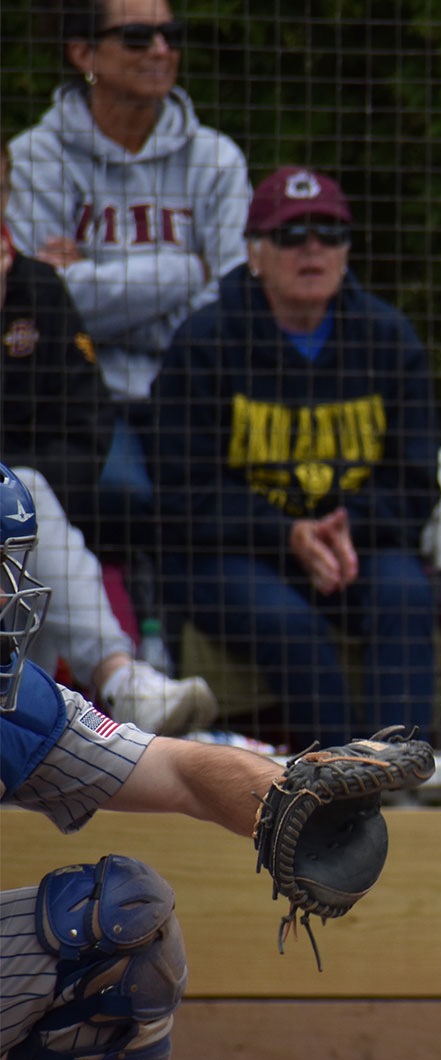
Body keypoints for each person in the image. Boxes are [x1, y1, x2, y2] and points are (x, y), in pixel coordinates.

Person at [0, 460, 285, 1060]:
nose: (6, 596)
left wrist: (296, 798)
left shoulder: (14, 701)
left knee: (123, 925)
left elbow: (179, 771)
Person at [148, 166, 441, 747]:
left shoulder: (389, 339)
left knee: (405, 595)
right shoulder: (204, 344)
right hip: (229, 555)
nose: (313, 248)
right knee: (290, 627)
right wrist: (287, 534)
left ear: (347, 250)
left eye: (329, 233)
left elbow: (415, 484)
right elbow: (183, 494)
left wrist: (341, 530)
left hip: (355, 545)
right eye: (291, 234)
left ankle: (402, 775)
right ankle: (336, 793)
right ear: (254, 254)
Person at [6, 0, 250, 551]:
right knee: (115, 491)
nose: (161, 51)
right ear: (83, 53)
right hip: (79, 402)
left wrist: (91, 285)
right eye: (138, 37)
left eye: (171, 35)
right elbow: (39, 304)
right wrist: (189, 270)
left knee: (219, 500)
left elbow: (230, 305)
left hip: (194, 394)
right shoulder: (34, 160)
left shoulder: (217, 161)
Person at [2, 143, 217, 733]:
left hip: (20, 528)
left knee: (27, 504)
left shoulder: (37, 288)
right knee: (27, 500)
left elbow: (87, 422)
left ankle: (101, 693)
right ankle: (122, 678)